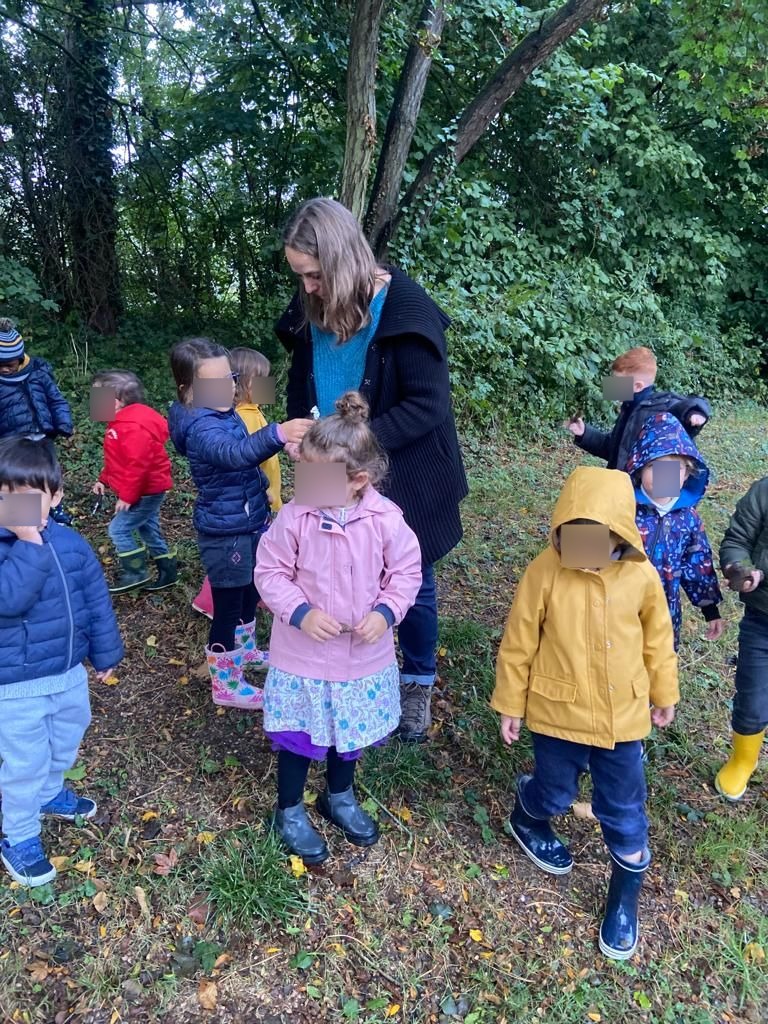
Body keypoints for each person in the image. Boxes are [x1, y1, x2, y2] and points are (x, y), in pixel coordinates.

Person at [276, 197, 468, 743]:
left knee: (410, 575)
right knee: (336, 566)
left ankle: (416, 681)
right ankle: (354, 673)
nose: (307, 288)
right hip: (333, 466)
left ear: (341, 263)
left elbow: (427, 406)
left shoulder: (405, 309)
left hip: (405, 470)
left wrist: (352, 448)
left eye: (314, 276)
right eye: (299, 276)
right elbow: (302, 379)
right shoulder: (312, 309)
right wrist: (303, 431)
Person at [491, 466, 679, 960]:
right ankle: (528, 816)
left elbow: (659, 641)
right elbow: (519, 641)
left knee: (623, 809)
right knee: (554, 790)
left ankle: (624, 896)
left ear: (619, 531)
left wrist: (664, 692)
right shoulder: (544, 571)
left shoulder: (640, 575)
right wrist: (511, 702)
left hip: (622, 720)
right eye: (572, 534)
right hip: (558, 712)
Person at [254, 392, 422, 864]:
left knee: (348, 730)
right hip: (303, 656)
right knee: (299, 735)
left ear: (357, 481)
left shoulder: (386, 521)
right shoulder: (294, 518)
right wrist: (301, 613)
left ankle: (338, 795)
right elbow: (269, 572)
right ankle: (288, 808)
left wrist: (386, 613)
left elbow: (407, 573)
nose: (303, 484)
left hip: (361, 657)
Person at [0, 437, 123, 887]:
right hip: (13, 685)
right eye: (7, 498)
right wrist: (29, 543)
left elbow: (94, 599)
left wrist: (106, 652)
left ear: (55, 497)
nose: (20, 510)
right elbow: (9, 599)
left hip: (67, 673)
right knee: (24, 761)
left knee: (69, 735)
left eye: (32, 499)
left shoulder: (71, 544)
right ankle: (19, 835)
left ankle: (51, 791)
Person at [168, 337, 312, 710]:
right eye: (214, 383)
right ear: (189, 390)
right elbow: (234, 455)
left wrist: (262, 487)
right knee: (228, 606)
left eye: (229, 377)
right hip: (226, 532)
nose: (228, 387)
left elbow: (245, 466)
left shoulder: (220, 411)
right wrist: (278, 433)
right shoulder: (201, 427)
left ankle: (245, 652)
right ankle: (226, 682)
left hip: (246, 519)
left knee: (250, 589)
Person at [191, 347, 282, 619]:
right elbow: (246, 457)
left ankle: (249, 599)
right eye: (264, 379)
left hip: (259, 498)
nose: (270, 385)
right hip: (251, 504)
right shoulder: (245, 417)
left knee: (247, 556)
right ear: (247, 383)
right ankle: (212, 603)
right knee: (239, 558)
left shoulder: (246, 413)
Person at [625, 412, 723, 650]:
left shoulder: (688, 518)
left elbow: (697, 563)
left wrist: (709, 608)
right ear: (639, 469)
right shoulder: (622, 507)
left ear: (688, 473)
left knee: (658, 663)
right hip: (619, 606)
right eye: (655, 467)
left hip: (663, 611)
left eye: (673, 469)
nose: (663, 476)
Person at [90, 370, 176, 594]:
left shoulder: (131, 427)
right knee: (149, 531)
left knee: (118, 529)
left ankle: (136, 572)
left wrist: (127, 496)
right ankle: (168, 571)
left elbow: (138, 466)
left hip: (146, 491)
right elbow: (118, 461)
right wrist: (103, 480)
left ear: (116, 402)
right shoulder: (122, 423)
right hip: (146, 489)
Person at [566, 346, 711, 472]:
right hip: (622, 491)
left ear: (638, 386)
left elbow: (688, 404)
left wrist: (696, 412)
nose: (612, 386)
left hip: (649, 496)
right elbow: (614, 449)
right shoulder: (628, 408)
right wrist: (584, 432)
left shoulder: (663, 408)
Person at [715, 478, 768, 801]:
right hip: (762, 622)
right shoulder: (764, 491)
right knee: (751, 699)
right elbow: (737, 539)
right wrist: (741, 568)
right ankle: (743, 759)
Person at [0, 318, 74, 524]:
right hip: (12, 441)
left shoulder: (38, 373)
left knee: (48, 471)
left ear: (19, 358)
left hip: (43, 436)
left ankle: (54, 509)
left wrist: (64, 424)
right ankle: (21, 521)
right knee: (19, 477)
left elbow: (55, 399)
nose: (4, 369)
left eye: (9, 364)